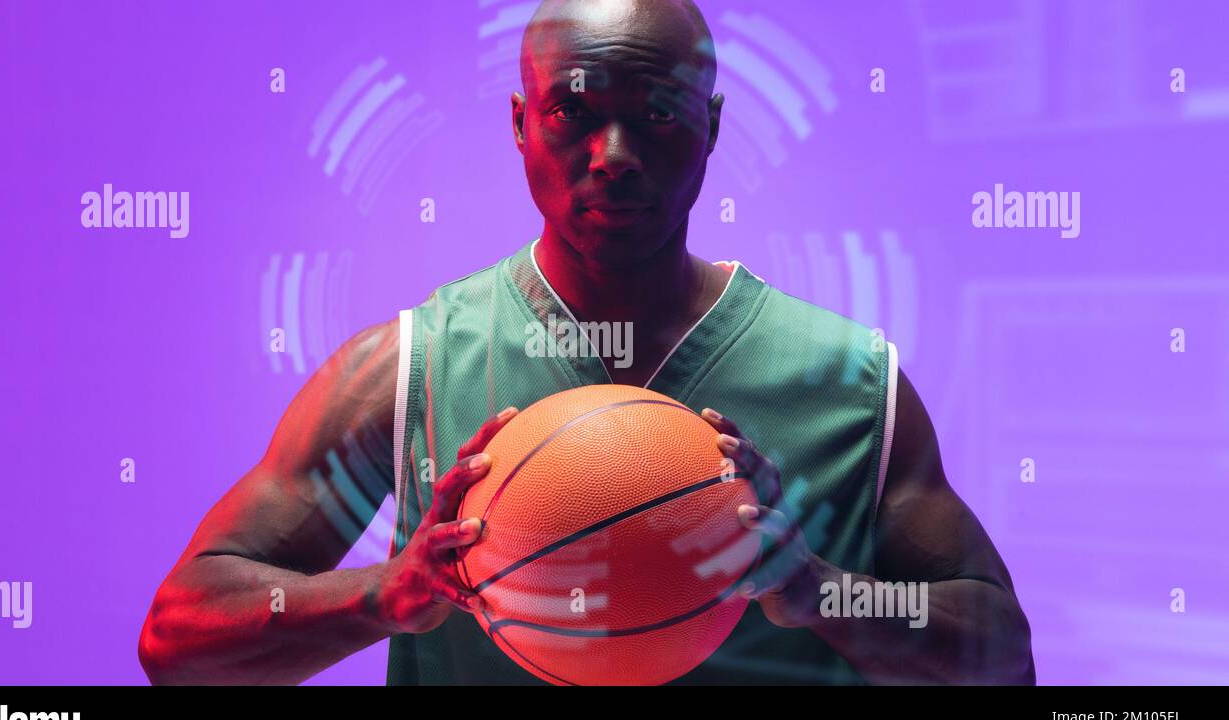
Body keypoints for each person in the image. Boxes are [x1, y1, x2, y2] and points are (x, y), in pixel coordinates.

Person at [138, 0, 1034, 685]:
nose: (614, 154)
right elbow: (176, 636)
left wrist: (819, 591)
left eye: (659, 114)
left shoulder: (850, 383)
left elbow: (1006, 662)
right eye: (574, 111)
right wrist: (387, 592)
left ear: (712, 129)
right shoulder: (407, 371)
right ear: (521, 125)